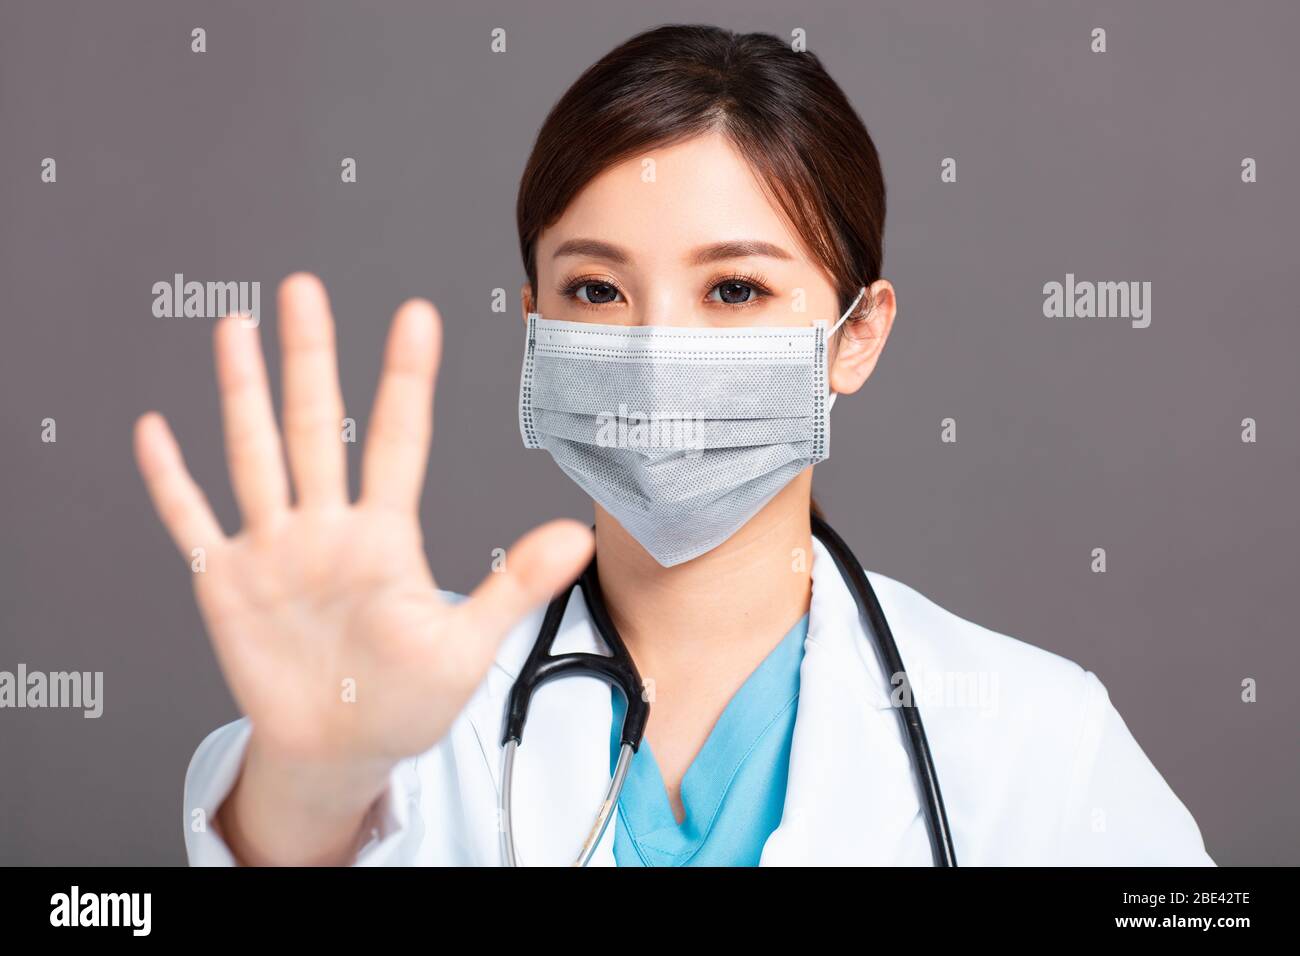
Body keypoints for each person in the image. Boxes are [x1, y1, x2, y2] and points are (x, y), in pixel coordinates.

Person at [134, 24, 1213, 866]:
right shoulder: (408, 700)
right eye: (596, 289)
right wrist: (313, 787)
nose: (657, 352)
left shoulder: (1032, 733)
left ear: (857, 334)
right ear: (536, 324)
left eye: (735, 288)